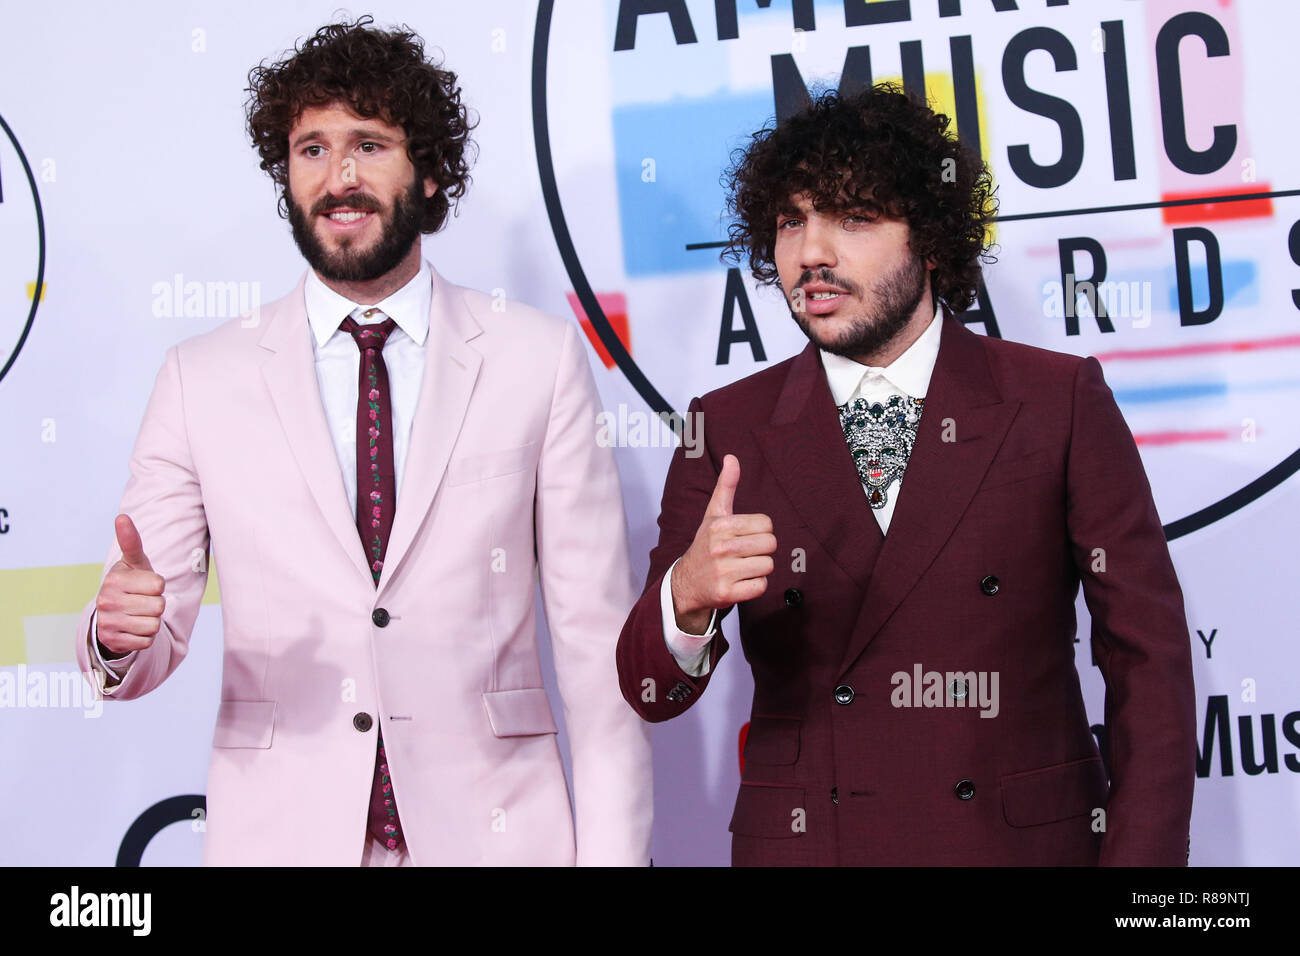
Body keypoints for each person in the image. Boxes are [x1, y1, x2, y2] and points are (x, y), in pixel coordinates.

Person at [76, 16, 651, 866]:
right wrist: (117, 635)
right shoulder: (200, 378)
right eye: (311, 149)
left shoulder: (538, 358)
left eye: (370, 144)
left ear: (426, 171)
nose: (340, 177)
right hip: (283, 841)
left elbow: (598, 652)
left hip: (497, 839)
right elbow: (148, 635)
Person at [615, 84, 1195, 866]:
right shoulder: (726, 426)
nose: (811, 252)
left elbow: (1148, 663)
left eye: (853, 217)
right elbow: (651, 694)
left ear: (930, 238)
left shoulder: (1055, 399)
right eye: (791, 221)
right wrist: (685, 596)